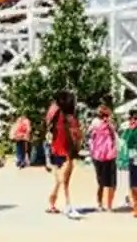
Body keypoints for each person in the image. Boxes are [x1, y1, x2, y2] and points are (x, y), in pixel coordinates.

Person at [46, 90, 82, 219]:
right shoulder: (64, 115)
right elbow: (77, 135)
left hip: (58, 148)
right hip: (64, 149)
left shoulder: (57, 113)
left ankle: (52, 203)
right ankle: (67, 205)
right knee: (64, 180)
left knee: (60, 180)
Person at [87, 104, 118, 212]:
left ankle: (100, 204)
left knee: (101, 182)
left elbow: (89, 138)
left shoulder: (94, 124)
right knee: (111, 182)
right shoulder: (108, 124)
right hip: (109, 155)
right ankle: (108, 206)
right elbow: (115, 137)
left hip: (98, 156)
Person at [119, 108, 137, 218]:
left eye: (135, 119)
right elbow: (126, 140)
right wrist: (131, 130)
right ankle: (135, 206)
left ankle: (136, 202)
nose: (133, 121)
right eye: (130, 118)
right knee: (134, 184)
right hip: (133, 158)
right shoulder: (129, 131)